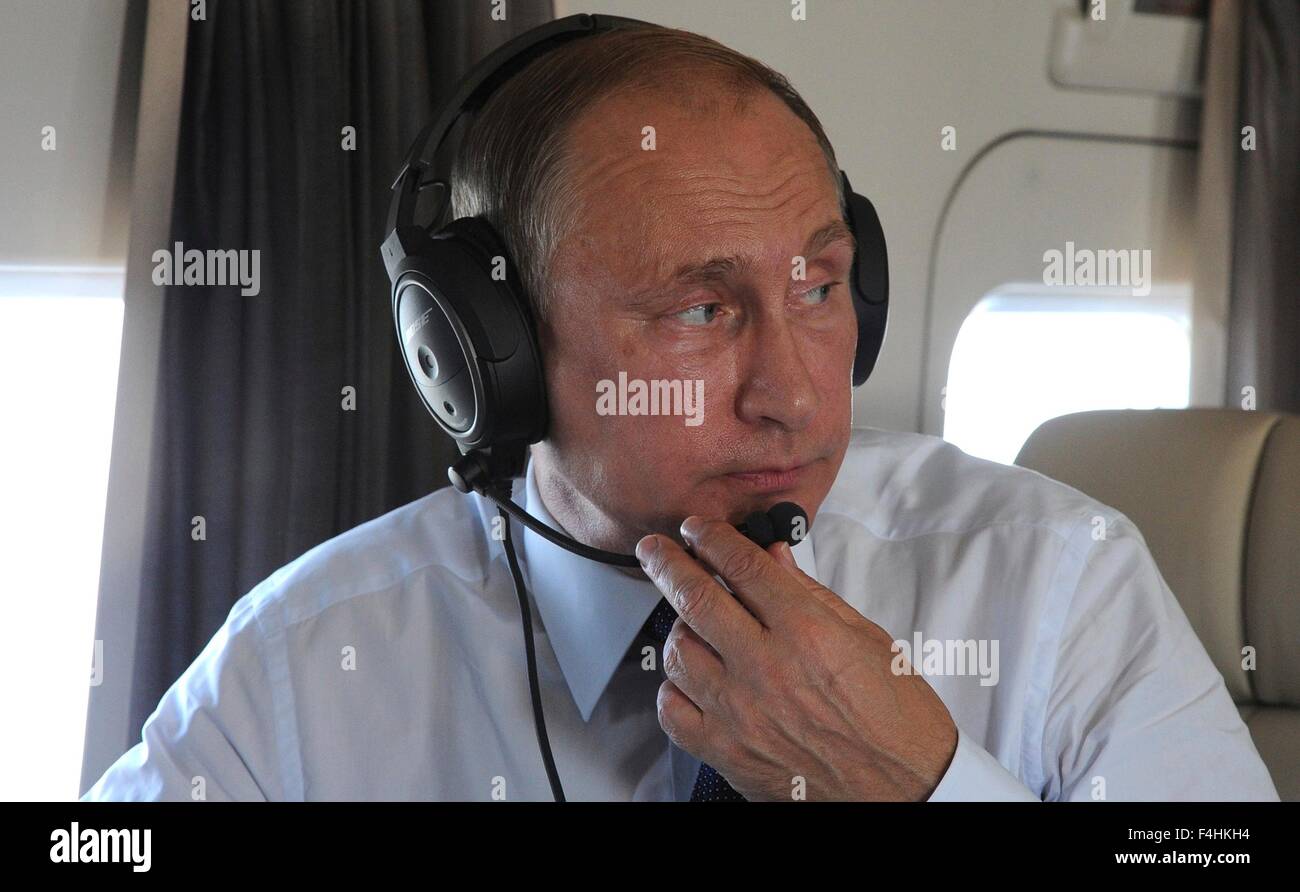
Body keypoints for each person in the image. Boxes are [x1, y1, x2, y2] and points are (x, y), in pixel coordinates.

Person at [83, 24, 1277, 802]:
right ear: (484, 353)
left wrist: (919, 789)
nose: (799, 392)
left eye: (817, 287)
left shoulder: (1057, 581)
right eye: (701, 312)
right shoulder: (309, 659)